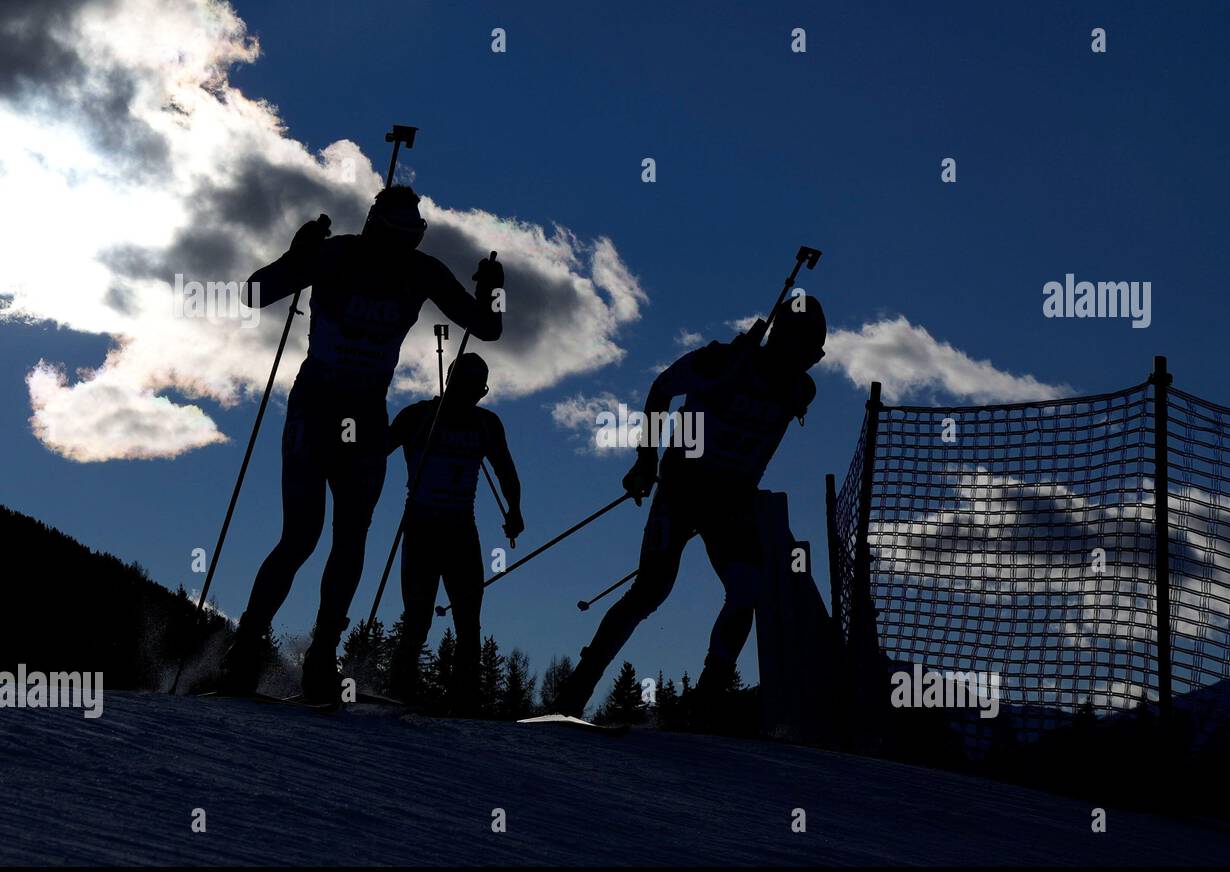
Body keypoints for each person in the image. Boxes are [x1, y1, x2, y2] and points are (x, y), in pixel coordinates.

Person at [217, 185, 505, 703]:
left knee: (349, 539)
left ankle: (322, 655)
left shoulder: (421, 270)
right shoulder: (339, 254)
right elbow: (255, 293)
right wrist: (296, 255)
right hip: (317, 409)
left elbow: (488, 327)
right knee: (302, 536)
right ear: (375, 228)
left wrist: (491, 291)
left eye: (406, 241)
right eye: (391, 238)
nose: (396, 252)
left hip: (365, 417)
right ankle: (246, 650)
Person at [554, 296, 827, 721]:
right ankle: (576, 688)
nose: (809, 363)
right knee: (651, 590)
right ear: (784, 339)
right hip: (683, 487)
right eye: (806, 351)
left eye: (815, 356)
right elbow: (662, 388)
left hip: (732, 498)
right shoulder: (721, 360)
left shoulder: (799, 388)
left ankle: (709, 698)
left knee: (747, 588)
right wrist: (646, 459)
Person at [386, 353, 523, 711]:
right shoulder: (418, 416)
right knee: (417, 615)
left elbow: (506, 470)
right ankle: (400, 690)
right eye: (467, 385)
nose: (472, 394)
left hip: (461, 528)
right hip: (421, 526)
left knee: (468, 618)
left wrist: (515, 509)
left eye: (478, 388)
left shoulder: (486, 424)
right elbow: (377, 450)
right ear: (451, 381)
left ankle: (464, 697)